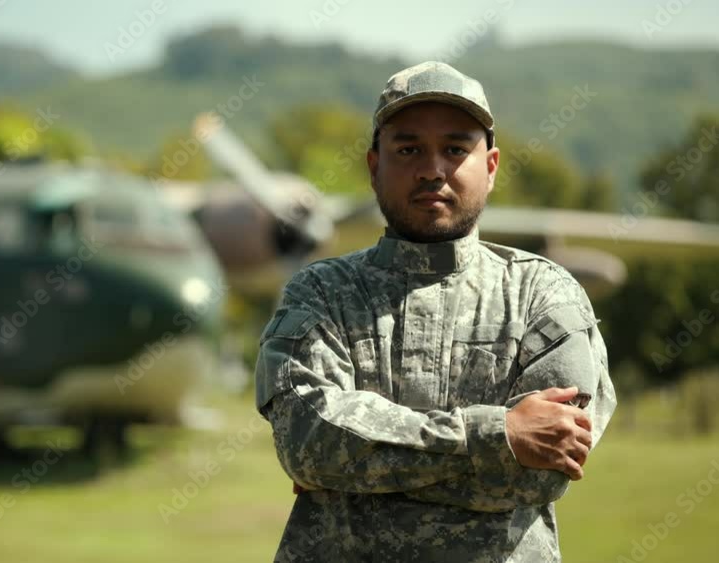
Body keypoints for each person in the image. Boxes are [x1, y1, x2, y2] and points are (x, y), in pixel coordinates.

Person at [254, 61, 617, 562]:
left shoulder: (544, 294)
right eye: (408, 150)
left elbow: (544, 470)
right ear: (374, 166)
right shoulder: (320, 292)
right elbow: (309, 443)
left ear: (491, 166)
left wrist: (358, 463)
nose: (432, 170)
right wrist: (500, 435)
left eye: (454, 149)